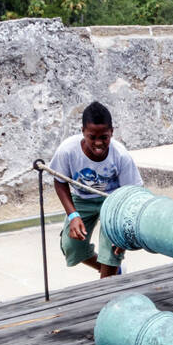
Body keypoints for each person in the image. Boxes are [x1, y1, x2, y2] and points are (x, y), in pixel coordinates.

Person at [49, 101, 144, 278]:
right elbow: (59, 182)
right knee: (71, 247)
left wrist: (123, 230)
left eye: (104, 137)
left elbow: (133, 195)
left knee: (112, 251)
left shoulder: (121, 155)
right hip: (82, 199)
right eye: (92, 137)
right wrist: (73, 215)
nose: (99, 143)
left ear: (112, 133)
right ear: (83, 131)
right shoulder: (67, 151)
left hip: (114, 202)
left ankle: (107, 288)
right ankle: (112, 272)